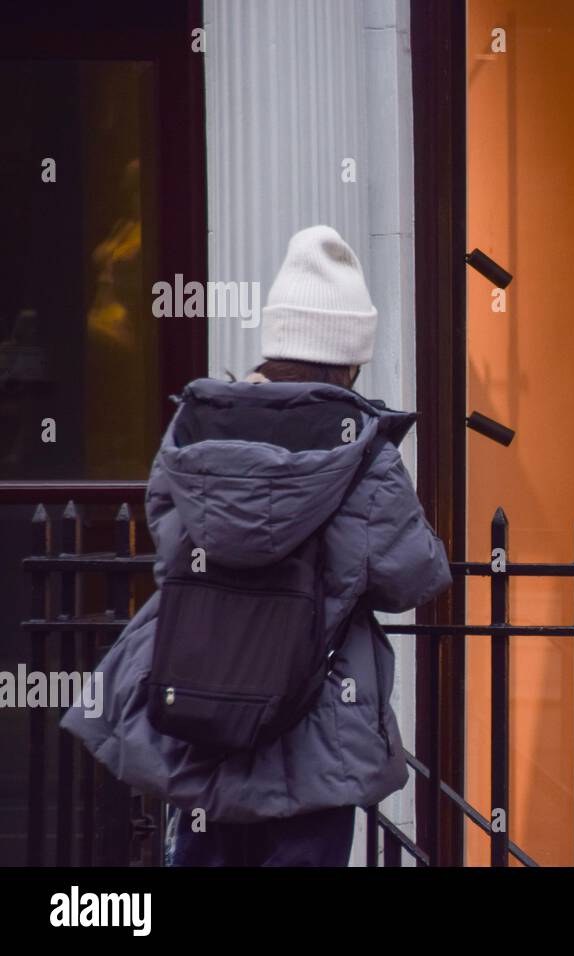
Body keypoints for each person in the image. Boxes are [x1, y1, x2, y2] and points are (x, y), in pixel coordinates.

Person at [61, 225, 452, 866]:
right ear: (350, 359)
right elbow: (410, 577)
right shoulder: (361, 451)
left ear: (274, 343)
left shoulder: (194, 431)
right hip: (314, 723)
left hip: (198, 700)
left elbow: (169, 545)